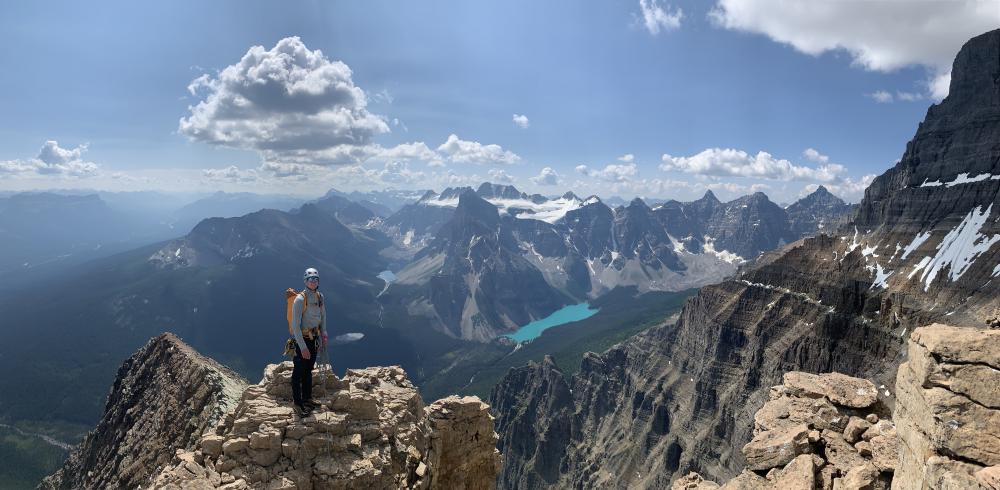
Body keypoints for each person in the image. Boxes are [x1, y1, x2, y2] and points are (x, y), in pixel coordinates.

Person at [289, 267, 328, 416]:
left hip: (314, 339)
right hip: (303, 340)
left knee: (308, 370)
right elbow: (295, 326)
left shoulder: (320, 297)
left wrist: (323, 332)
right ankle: (297, 403)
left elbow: (323, 316)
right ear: (305, 281)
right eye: (310, 279)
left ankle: (307, 398)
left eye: (316, 279)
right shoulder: (300, 299)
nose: (313, 282)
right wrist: (302, 347)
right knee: (298, 373)